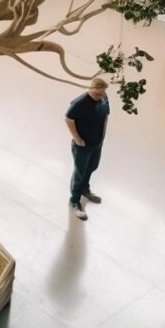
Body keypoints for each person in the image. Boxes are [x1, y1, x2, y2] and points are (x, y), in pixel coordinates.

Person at [64, 77, 110, 221]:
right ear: (90, 88)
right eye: (97, 93)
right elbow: (68, 119)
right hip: (83, 145)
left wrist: (102, 136)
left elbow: (106, 114)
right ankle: (74, 201)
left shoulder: (103, 97)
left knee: (92, 167)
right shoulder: (79, 103)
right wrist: (78, 139)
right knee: (80, 173)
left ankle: (85, 189)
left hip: (97, 143)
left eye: (102, 93)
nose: (100, 96)